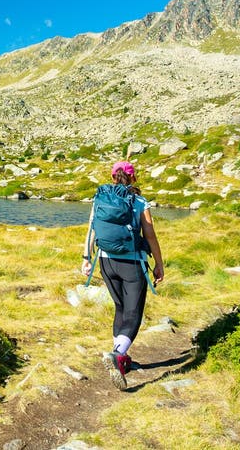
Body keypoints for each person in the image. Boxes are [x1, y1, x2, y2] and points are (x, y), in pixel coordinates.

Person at [80, 161, 164, 390]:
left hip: (105, 261)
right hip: (133, 263)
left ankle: (121, 359)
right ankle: (118, 354)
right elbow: (150, 235)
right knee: (133, 312)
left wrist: (86, 258)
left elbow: (91, 228)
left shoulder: (100, 198)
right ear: (133, 177)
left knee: (119, 307)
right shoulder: (139, 202)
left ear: (112, 176)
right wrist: (159, 263)